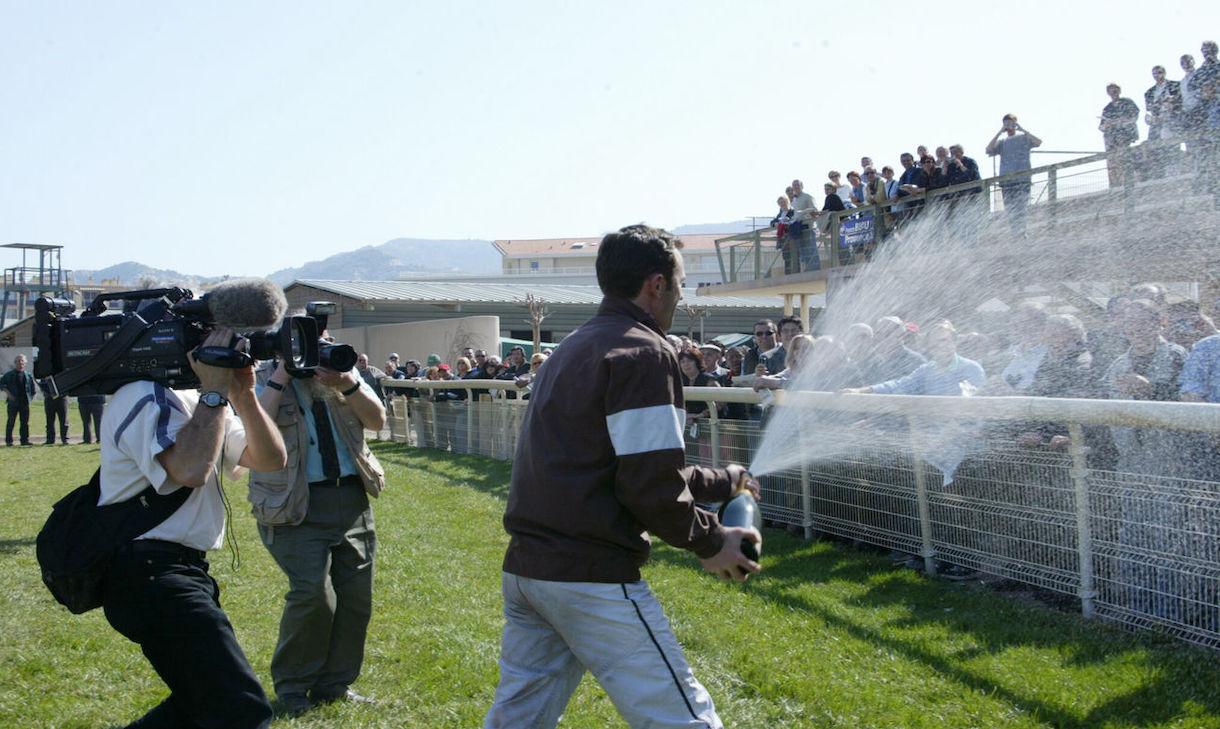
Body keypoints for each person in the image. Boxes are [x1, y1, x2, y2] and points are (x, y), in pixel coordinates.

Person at [485, 224, 761, 729]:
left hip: (528, 571)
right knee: (684, 719)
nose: (680, 295)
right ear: (656, 284)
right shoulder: (644, 352)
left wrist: (726, 480)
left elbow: (633, 465)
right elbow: (648, 486)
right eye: (678, 283)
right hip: (589, 575)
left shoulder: (573, 347)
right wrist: (712, 540)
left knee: (517, 720)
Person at [99, 325, 286, 729]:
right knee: (241, 708)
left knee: (199, 702)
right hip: (146, 572)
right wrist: (215, 392)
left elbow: (269, 458)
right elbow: (189, 469)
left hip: (181, 570)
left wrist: (243, 394)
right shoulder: (140, 395)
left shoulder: (196, 399)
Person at [250, 342, 388, 714]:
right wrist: (281, 375)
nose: (313, 352)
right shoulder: (262, 377)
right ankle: (293, 687)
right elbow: (252, 428)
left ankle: (334, 684)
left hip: (350, 498)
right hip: (294, 503)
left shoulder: (342, 372)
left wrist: (347, 384)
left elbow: (377, 422)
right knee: (312, 595)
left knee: (356, 599)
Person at [985, 113, 1042, 234]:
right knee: (1011, 210)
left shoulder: (1024, 138)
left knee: (1021, 209)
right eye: (1006, 124)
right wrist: (999, 132)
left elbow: (1038, 142)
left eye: (1011, 123)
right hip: (1006, 182)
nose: (1009, 126)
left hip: (1022, 180)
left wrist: (1022, 129)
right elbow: (988, 149)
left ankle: (1023, 233)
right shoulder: (1002, 142)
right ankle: (1016, 235)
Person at [1099, 83, 1140, 187]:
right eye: (1111, 92)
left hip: (1126, 136)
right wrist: (1108, 125)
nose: (1113, 94)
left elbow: (1134, 116)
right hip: (1113, 139)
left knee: (1125, 160)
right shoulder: (1107, 109)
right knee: (1114, 162)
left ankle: (1128, 181)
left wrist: (1122, 121)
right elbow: (1101, 126)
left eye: (1115, 91)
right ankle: (1116, 183)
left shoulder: (1127, 102)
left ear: (1119, 91)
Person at [2, 354, 35, 446]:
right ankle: (9, 441)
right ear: (15, 363)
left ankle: (24, 440)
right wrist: (8, 394)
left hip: (24, 402)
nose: (20, 363)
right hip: (13, 402)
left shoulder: (28, 375)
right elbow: (1, 385)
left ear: (25, 363)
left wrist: (30, 398)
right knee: (11, 421)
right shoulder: (9, 375)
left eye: (22, 361)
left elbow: (33, 390)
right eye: (18, 361)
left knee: (25, 423)